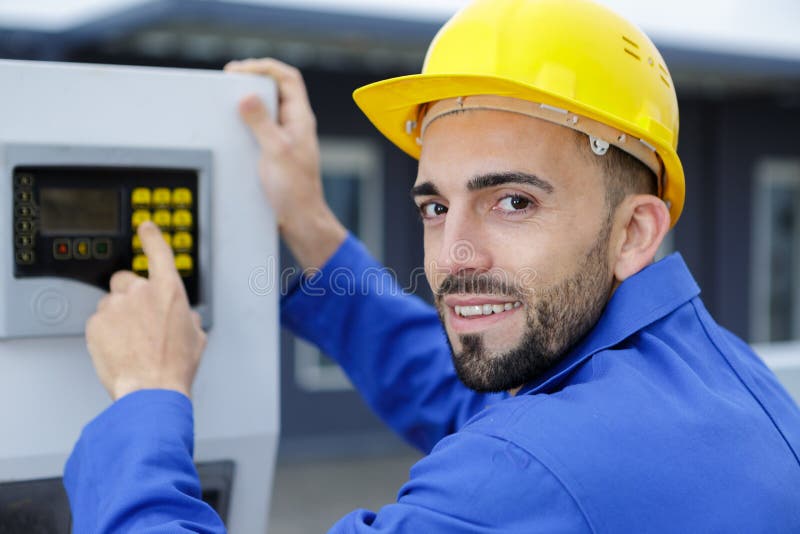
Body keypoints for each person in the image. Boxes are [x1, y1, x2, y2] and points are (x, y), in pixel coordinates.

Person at [65, 0, 800, 532]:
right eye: (435, 206)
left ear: (635, 231)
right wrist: (313, 227)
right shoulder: (711, 379)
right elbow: (471, 397)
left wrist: (144, 398)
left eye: (512, 202)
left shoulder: (515, 479)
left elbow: (521, 453)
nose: (453, 258)